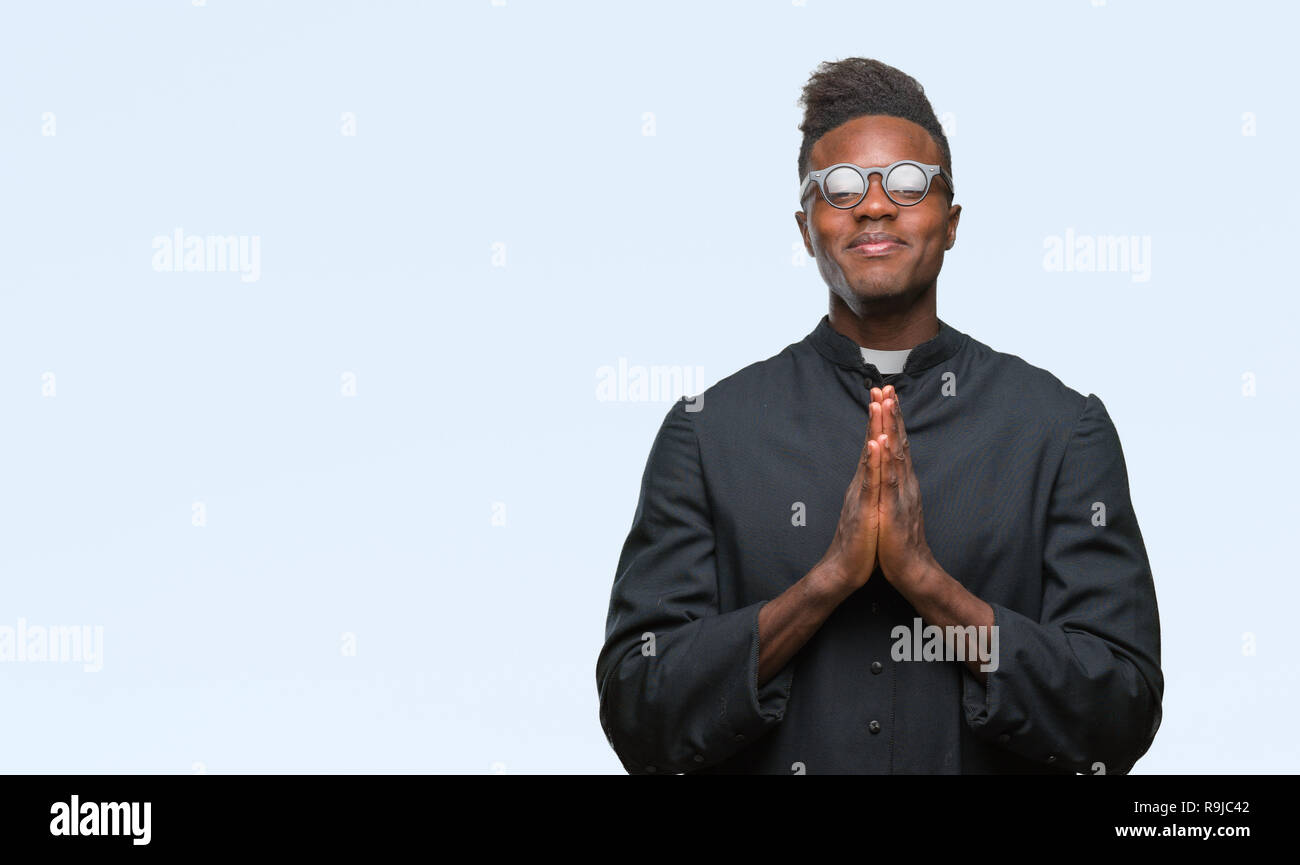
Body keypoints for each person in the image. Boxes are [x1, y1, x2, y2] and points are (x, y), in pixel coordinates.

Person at [595, 58, 1162, 774]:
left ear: (951, 221)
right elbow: (637, 705)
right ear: (806, 228)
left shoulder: (1059, 432)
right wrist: (826, 580)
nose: (873, 205)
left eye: (906, 183)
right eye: (838, 187)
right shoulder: (708, 435)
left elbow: (1123, 707)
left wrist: (930, 585)